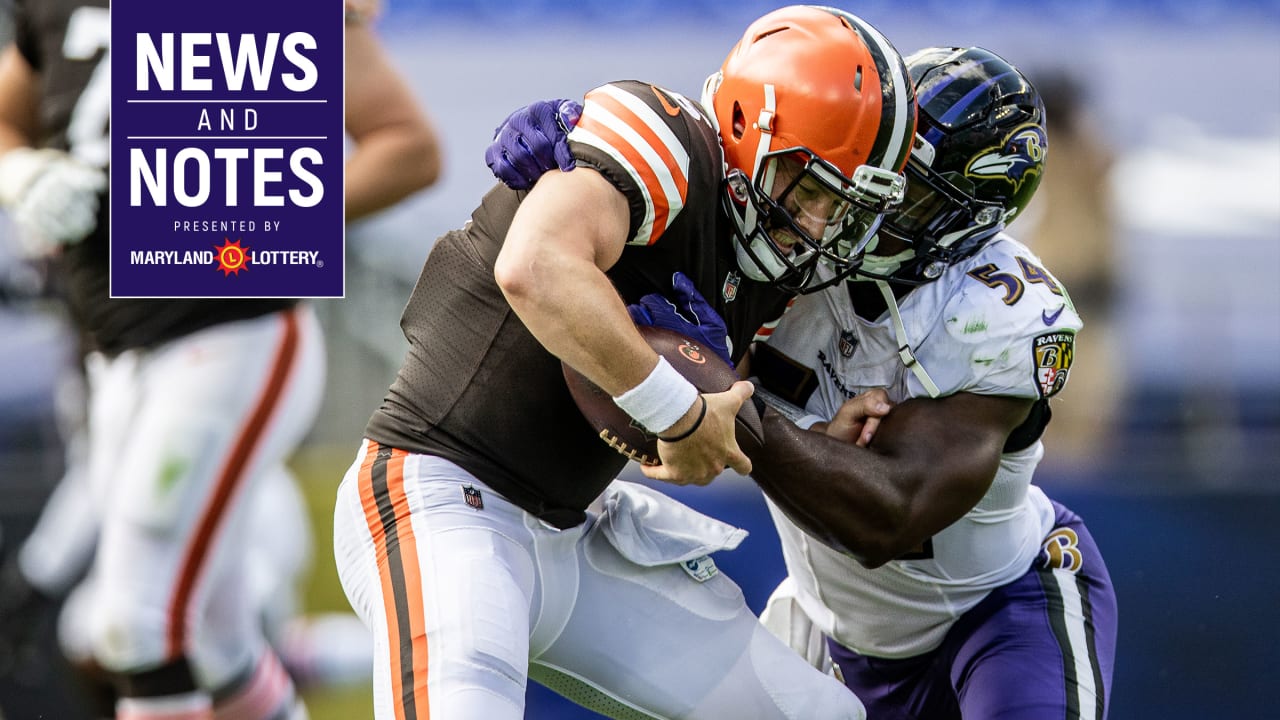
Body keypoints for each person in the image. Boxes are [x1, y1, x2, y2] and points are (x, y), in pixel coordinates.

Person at [489, 45, 1117, 720]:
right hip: (828, 624)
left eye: (911, 200)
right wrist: (592, 159)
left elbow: (887, 515)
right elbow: (697, 168)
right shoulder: (796, 239)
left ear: (966, 218)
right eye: (881, 179)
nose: (868, 214)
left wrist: (725, 415)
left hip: (996, 609)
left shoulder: (998, 313)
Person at [333, 5, 917, 719]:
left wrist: (809, 425)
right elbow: (535, 266)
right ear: (748, 132)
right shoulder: (663, 136)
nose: (821, 224)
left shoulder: (776, 258)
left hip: (581, 532)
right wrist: (678, 410)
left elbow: (733, 388)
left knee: (820, 715)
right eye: (813, 187)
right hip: (445, 494)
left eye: (845, 206)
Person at [0, 0, 441, 718]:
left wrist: (250, 225)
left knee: (134, 626)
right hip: (113, 353)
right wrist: (20, 174)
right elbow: (7, 119)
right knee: (218, 643)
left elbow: (409, 146)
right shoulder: (54, 9)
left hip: (228, 334)